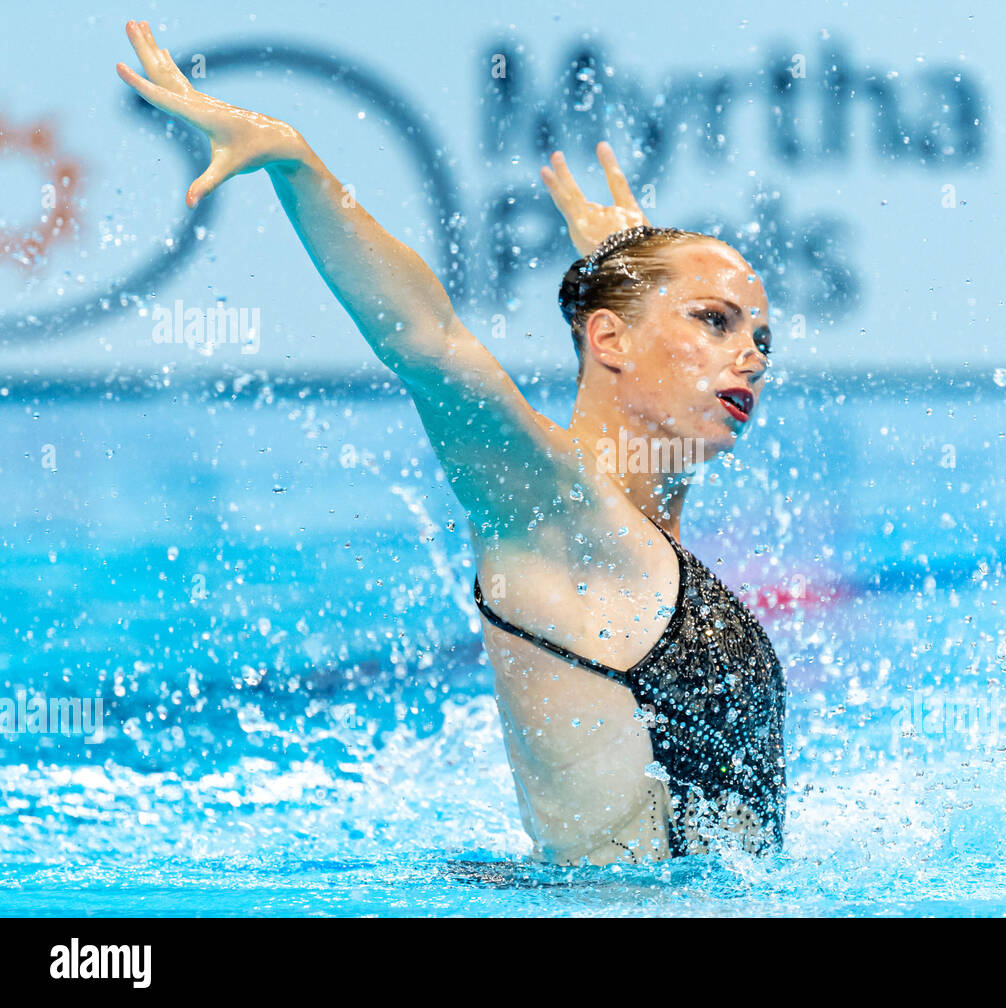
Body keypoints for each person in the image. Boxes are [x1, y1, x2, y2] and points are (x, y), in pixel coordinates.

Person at [116, 18, 786, 865]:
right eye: (716, 322)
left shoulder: (639, 522)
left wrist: (630, 263)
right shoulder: (545, 505)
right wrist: (300, 166)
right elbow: (426, 341)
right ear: (609, 341)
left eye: (762, 338)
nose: (751, 357)